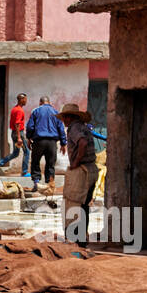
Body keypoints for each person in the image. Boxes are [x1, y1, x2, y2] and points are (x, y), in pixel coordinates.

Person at [59, 103, 99, 246]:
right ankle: (81, 240)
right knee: (84, 206)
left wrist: (75, 162)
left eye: (64, 117)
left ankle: (74, 240)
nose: (63, 120)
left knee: (73, 205)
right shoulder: (84, 127)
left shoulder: (74, 128)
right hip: (92, 169)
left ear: (69, 117)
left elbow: (81, 143)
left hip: (82, 171)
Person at [26, 96, 66, 187]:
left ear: (40, 103)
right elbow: (61, 128)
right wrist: (63, 143)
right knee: (50, 164)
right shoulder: (56, 112)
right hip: (52, 143)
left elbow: (30, 127)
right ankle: (49, 184)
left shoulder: (36, 111)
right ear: (49, 102)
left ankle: (36, 183)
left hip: (38, 141)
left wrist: (29, 138)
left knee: (35, 162)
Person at [0, 93, 29, 174]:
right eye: (25, 99)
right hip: (19, 133)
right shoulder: (19, 110)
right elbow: (17, 124)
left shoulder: (14, 109)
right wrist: (19, 137)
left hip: (14, 133)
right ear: (21, 100)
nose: (26, 101)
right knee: (27, 152)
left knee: (15, 153)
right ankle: (25, 171)